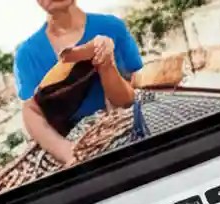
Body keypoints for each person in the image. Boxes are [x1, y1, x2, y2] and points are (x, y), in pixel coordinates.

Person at [14, 0, 144, 166]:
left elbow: (129, 98)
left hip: (122, 133)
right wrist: (68, 153)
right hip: (71, 145)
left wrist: (106, 64)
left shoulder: (112, 27)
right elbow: (31, 111)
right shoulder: (27, 54)